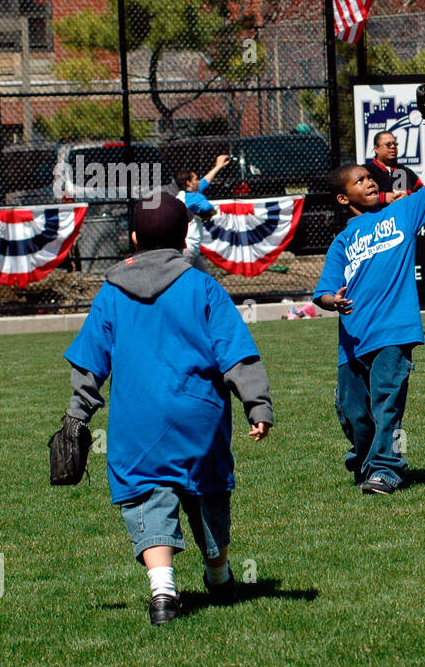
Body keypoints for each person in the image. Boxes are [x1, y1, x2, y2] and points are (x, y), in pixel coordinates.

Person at [61, 189, 274, 626]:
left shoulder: (111, 292)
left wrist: (76, 415)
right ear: (184, 238)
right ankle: (218, 576)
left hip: (138, 422)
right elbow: (237, 355)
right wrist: (257, 405)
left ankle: (163, 592)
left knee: (146, 494)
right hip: (200, 416)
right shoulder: (204, 287)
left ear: (134, 237)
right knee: (208, 492)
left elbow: (89, 362)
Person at [313, 124, 425, 495]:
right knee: (354, 411)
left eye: (370, 178)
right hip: (353, 338)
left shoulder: (402, 213)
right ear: (344, 199)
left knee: (386, 403)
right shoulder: (342, 241)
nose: (370, 182)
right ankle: (366, 461)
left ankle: (385, 468)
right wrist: (334, 301)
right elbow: (324, 293)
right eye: (360, 181)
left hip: (394, 329)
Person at [174, 154, 230, 272]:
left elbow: (205, 182)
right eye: (195, 179)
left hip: (186, 248)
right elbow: (207, 208)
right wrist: (208, 213)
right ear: (189, 183)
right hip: (188, 248)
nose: (198, 181)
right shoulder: (194, 197)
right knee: (182, 279)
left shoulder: (183, 196)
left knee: (204, 279)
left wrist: (218, 166)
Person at [365, 130, 424, 202]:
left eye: (395, 144)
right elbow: (357, 196)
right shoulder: (365, 170)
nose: (393, 146)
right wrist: (383, 197)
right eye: (388, 144)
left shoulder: (407, 172)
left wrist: (408, 195)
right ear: (376, 149)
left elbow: (423, 194)